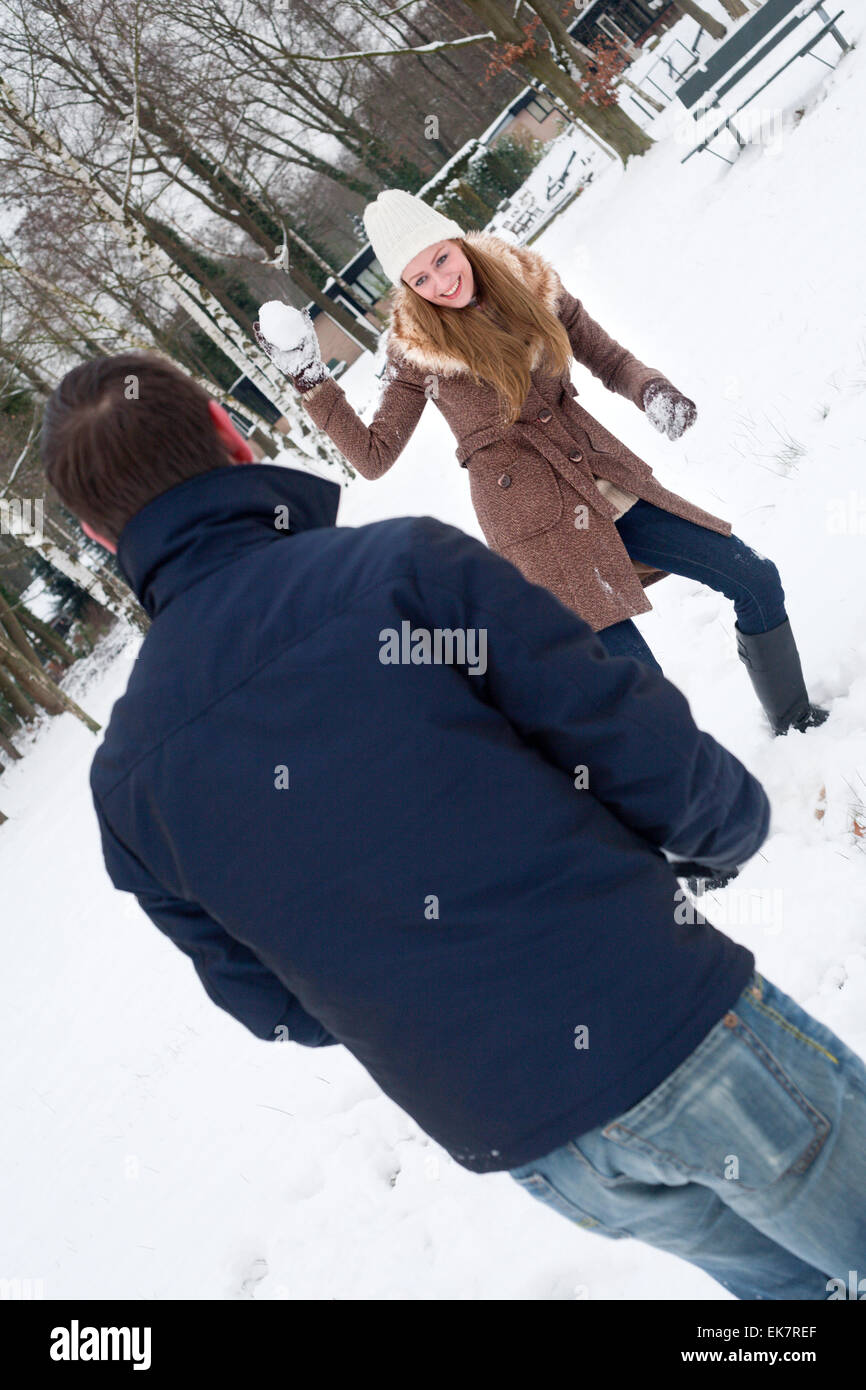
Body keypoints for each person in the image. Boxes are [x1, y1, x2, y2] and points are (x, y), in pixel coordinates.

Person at [42, 353, 864, 1300]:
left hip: (525, 1139)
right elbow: (632, 742)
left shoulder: (129, 783)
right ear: (233, 435)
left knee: (796, 1301)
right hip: (664, 1026)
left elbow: (278, 1007)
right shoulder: (401, 571)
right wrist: (727, 825)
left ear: (103, 536)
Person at [255, 188, 827, 737]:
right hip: (537, 524)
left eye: (442, 259)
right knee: (639, 687)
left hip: (604, 480)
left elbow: (607, 357)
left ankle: (796, 722)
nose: (441, 282)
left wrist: (651, 390)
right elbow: (374, 455)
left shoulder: (533, 284)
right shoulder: (416, 351)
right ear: (406, 288)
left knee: (754, 577)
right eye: (419, 279)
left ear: (459, 242)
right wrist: (311, 380)